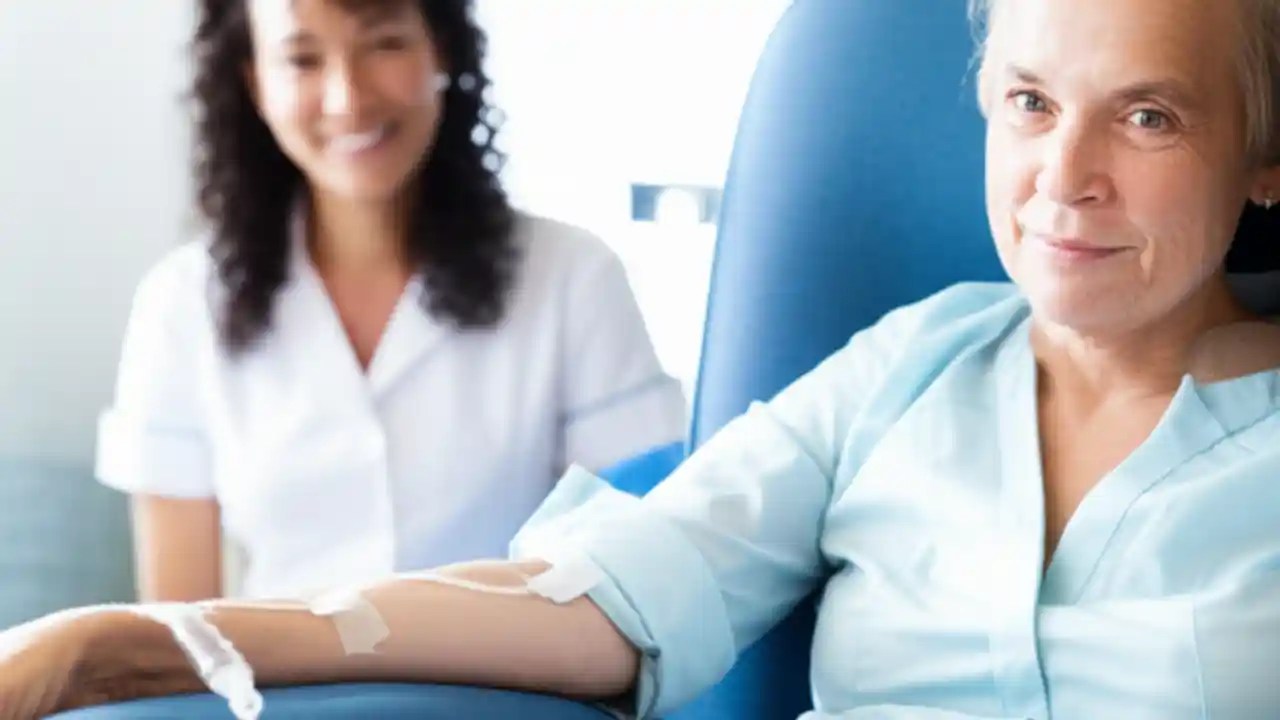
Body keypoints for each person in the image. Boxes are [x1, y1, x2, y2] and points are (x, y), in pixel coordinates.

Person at [3, 0, 1280, 717]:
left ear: (1261, 158)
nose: (1063, 179)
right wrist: (137, 641)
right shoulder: (905, 370)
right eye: (1027, 103)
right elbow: (602, 592)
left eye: (1149, 115)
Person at [92, 0, 686, 602]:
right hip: (277, 691)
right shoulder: (182, 303)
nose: (347, 98)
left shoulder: (573, 276)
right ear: (254, 81)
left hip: (515, 688)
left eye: (384, 43)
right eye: (302, 59)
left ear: (442, 48)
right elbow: (177, 632)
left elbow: (638, 573)